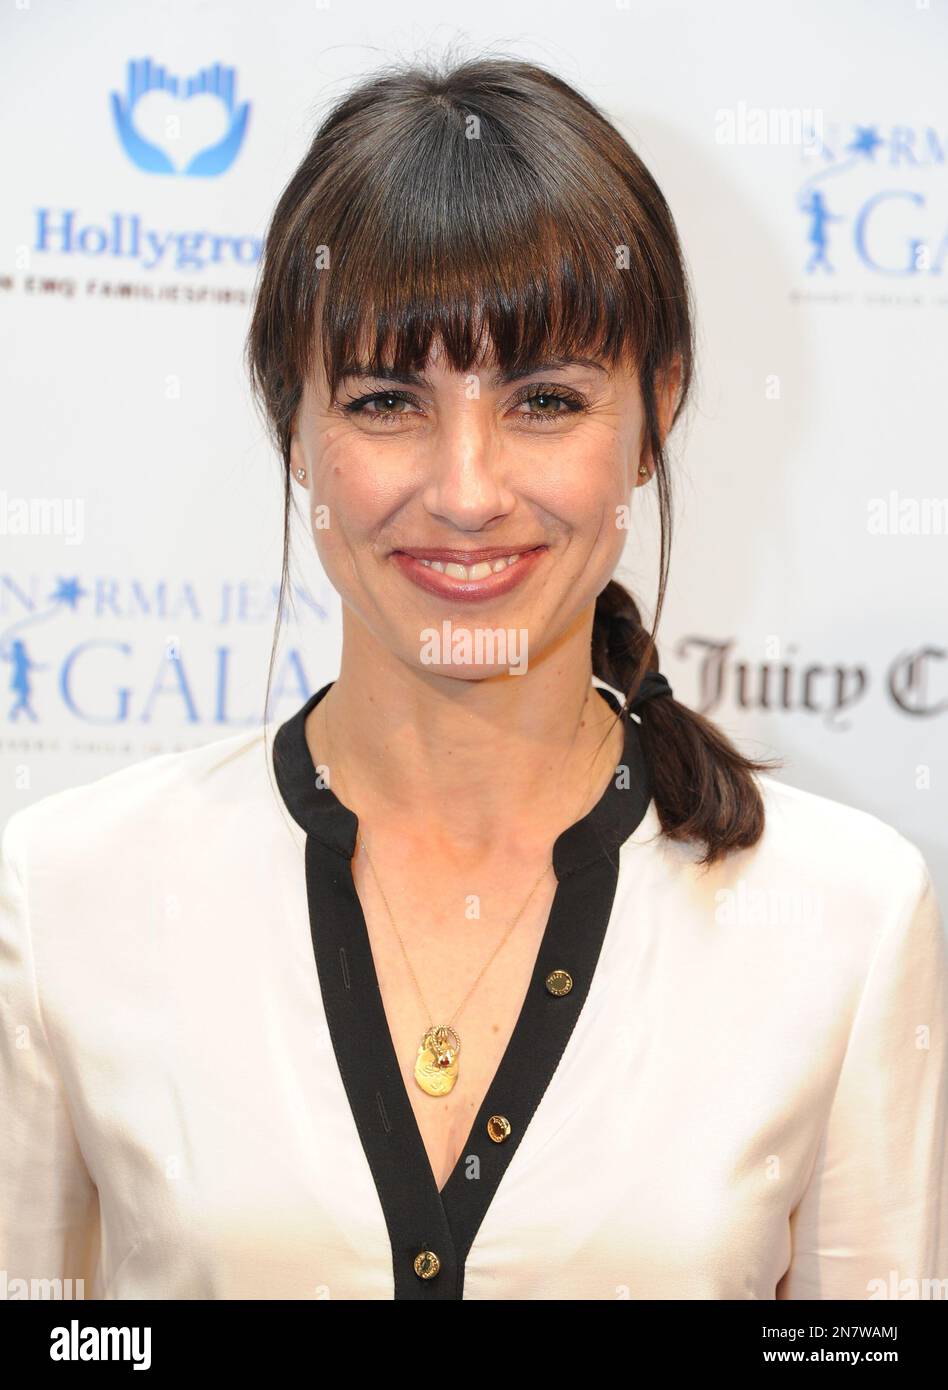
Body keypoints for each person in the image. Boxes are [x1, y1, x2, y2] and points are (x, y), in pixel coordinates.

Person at [1, 55, 945, 1302]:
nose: (464, 491)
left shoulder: (845, 915)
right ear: (296, 426)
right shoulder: (69, 894)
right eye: (388, 400)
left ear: (652, 419)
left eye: (545, 400)